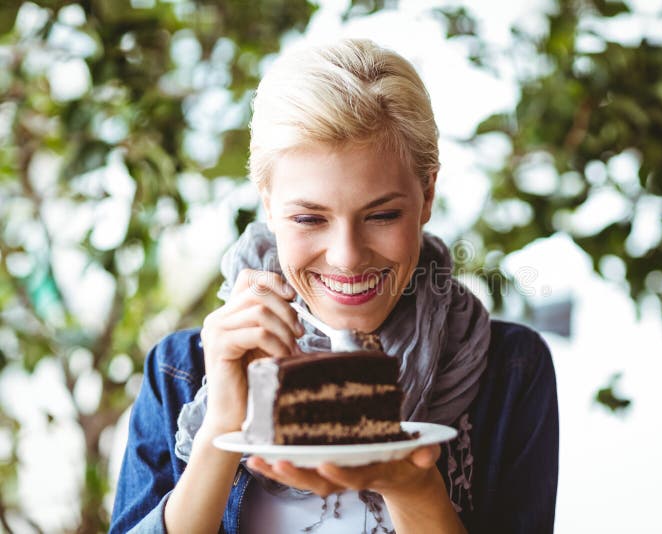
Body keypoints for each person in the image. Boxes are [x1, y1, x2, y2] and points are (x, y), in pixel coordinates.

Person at [110, 38, 558, 534]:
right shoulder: (182, 372)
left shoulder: (510, 369)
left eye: (382, 214)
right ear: (268, 203)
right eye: (308, 218)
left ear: (427, 194)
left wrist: (413, 486)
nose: (347, 257)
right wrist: (220, 426)